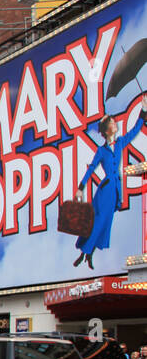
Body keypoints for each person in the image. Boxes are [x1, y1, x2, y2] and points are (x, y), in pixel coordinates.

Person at [74, 92, 147, 270]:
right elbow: (91, 168)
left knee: (105, 224)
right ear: (107, 129)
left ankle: (88, 253)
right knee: (99, 222)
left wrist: (143, 109)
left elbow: (135, 130)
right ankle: (85, 252)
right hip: (105, 190)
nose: (116, 124)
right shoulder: (102, 150)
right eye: (113, 123)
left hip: (115, 191)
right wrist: (80, 187)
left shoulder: (121, 142)